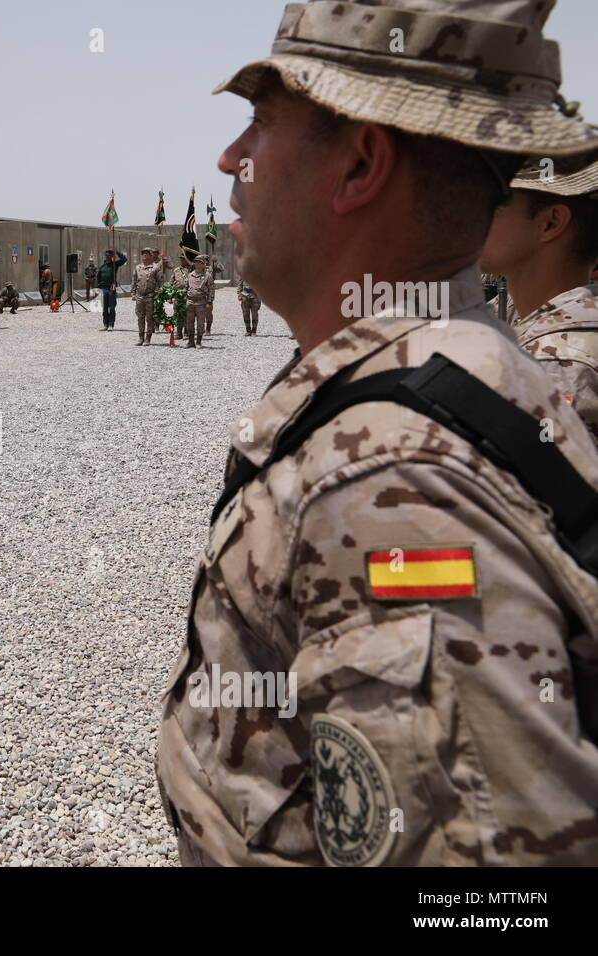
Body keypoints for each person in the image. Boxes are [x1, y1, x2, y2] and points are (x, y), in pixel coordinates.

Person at [155, 0, 598, 867]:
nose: (230, 158)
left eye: (260, 122)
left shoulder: (391, 488)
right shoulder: (458, 374)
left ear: (360, 164)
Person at [481, 155, 598, 443]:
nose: (474, 218)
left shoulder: (552, 362)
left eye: (495, 207)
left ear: (550, 223)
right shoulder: (513, 313)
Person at [131, 248, 164, 346]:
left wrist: (159, 294)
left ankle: (148, 338)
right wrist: (133, 293)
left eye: (146, 253)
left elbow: (160, 282)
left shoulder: (155, 267)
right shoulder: (138, 267)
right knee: (140, 317)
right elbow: (134, 280)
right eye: (143, 253)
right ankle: (140, 337)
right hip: (140, 296)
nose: (144, 255)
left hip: (150, 296)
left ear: (151, 255)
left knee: (150, 318)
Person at [95, 249, 126, 330]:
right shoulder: (102, 267)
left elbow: (124, 259)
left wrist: (117, 253)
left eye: (110, 256)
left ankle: (111, 325)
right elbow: (98, 278)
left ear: (112, 257)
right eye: (107, 256)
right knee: (104, 308)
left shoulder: (114, 265)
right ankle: (105, 324)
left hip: (111, 288)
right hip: (103, 289)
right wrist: (97, 290)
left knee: (112, 307)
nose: (108, 257)